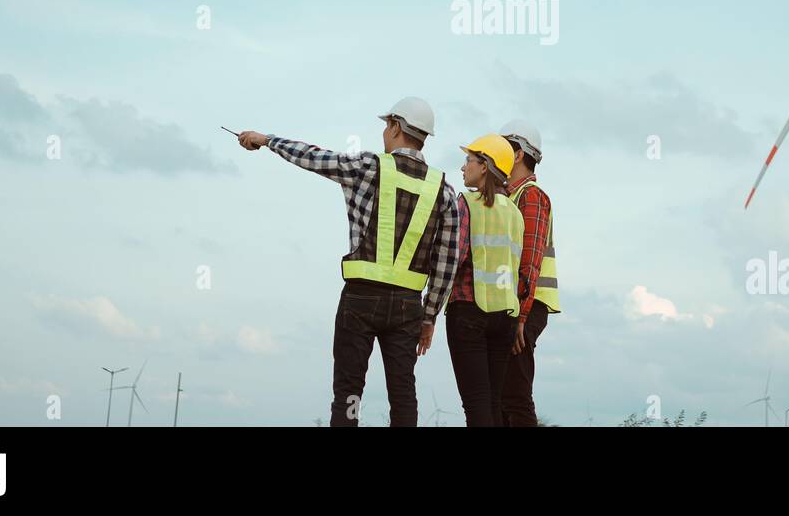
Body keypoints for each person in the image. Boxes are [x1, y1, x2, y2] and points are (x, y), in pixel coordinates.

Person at [235, 97, 459, 428]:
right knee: (402, 394)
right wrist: (429, 317)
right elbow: (446, 261)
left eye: (387, 125)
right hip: (407, 307)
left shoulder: (369, 167)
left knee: (349, 392)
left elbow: (314, 157)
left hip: (360, 300)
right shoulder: (443, 191)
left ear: (396, 127)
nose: (384, 131)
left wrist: (267, 140)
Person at [443, 134, 525, 427]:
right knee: (492, 402)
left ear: (485, 166)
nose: (463, 167)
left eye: (469, 160)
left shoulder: (466, 203)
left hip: (468, 310)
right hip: (505, 317)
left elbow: (454, 257)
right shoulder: (515, 214)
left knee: (476, 404)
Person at [498, 119, 558, 428]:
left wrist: (520, 318)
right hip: (518, 304)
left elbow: (530, 261)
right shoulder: (509, 196)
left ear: (518, 153)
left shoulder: (531, 196)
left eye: (503, 145)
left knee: (516, 395)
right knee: (504, 395)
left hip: (528, 306)